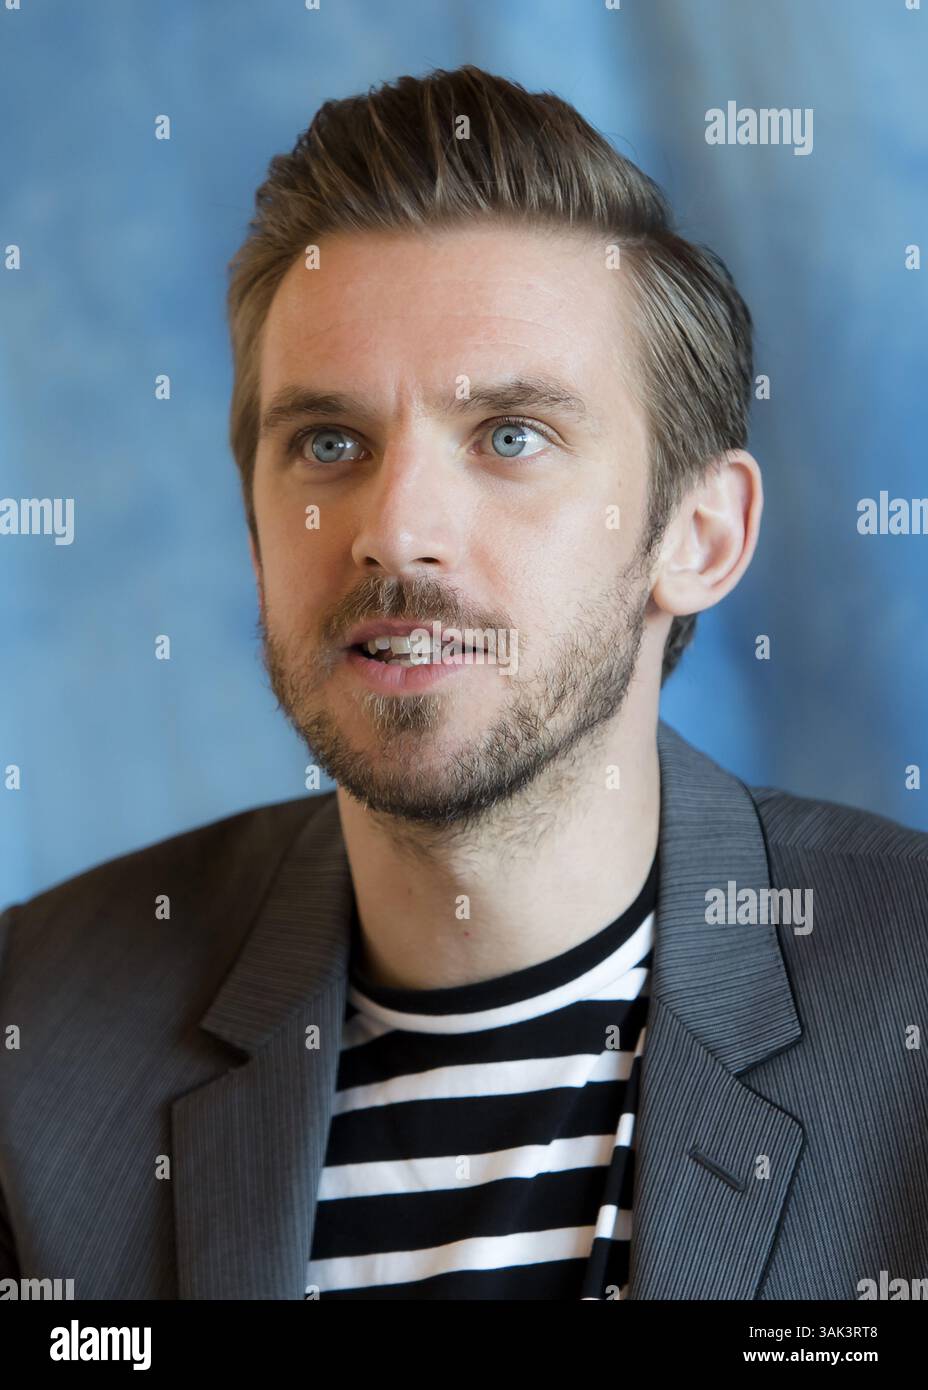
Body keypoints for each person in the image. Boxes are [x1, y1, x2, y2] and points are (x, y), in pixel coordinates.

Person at [2, 65, 926, 1302]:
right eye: (329, 443)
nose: (395, 529)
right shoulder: (36, 1048)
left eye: (510, 437)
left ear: (698, 535)